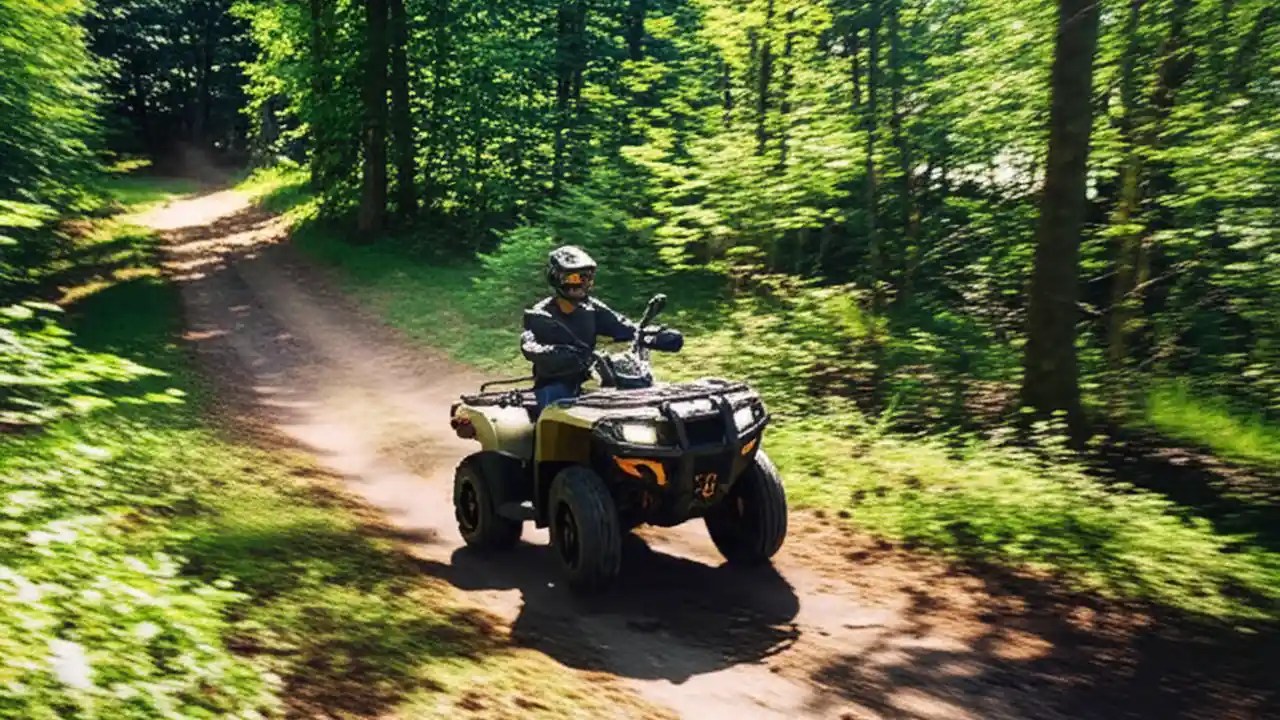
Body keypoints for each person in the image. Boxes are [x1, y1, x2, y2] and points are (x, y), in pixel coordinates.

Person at [521, 245, 682, 414]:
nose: (582, 283)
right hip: (555, 382)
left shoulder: (591, 309)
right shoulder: (541, 314)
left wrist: (652, 337)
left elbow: (623, 327)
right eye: (575, 277)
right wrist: (552, 354)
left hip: (592, 378)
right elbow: (529, 345)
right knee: (556, 407)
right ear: (556, 278)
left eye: (587, 278)